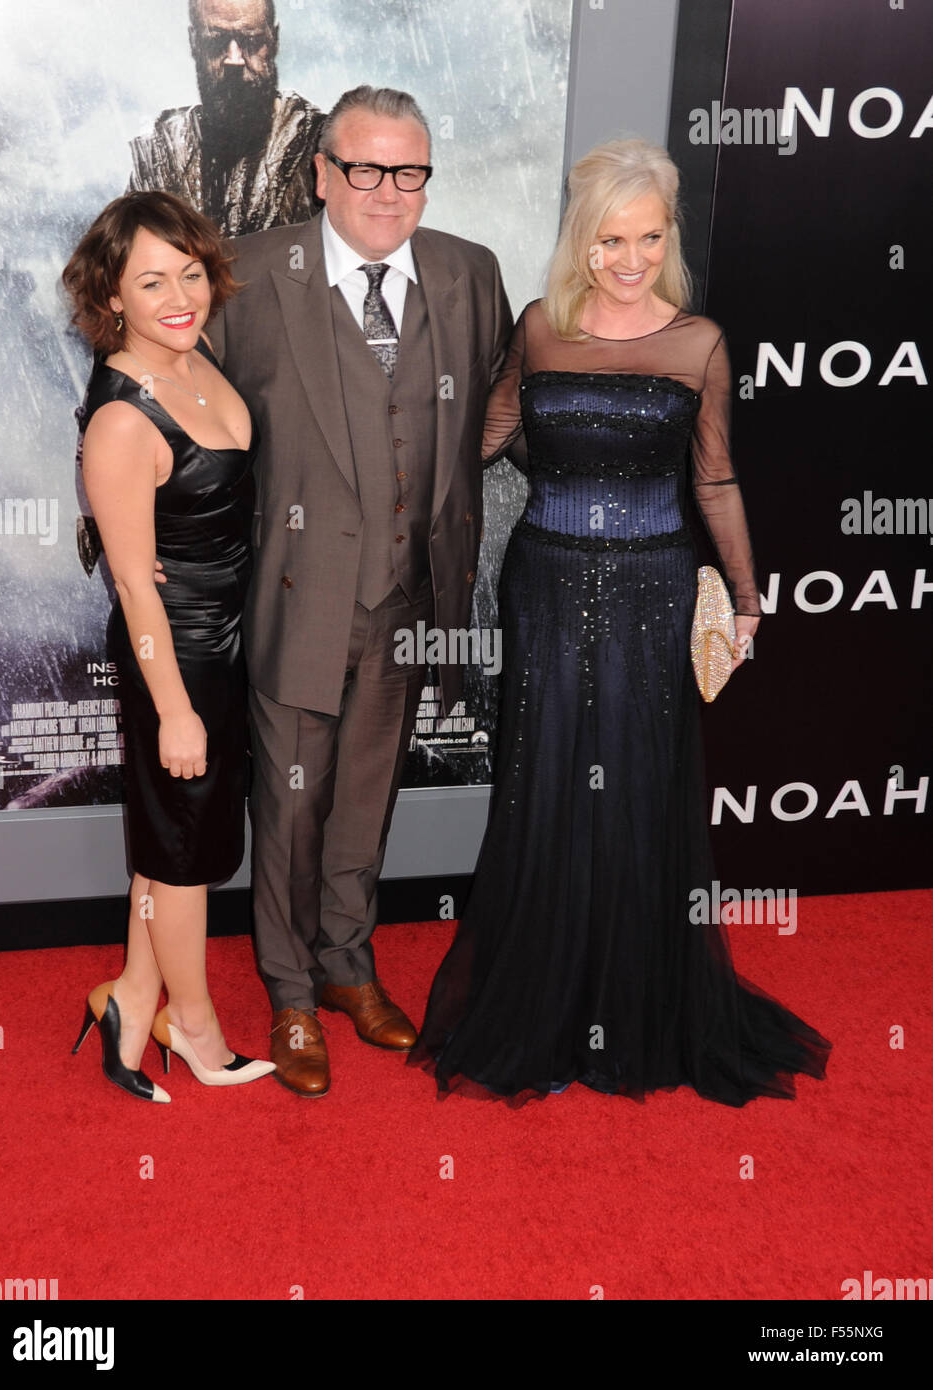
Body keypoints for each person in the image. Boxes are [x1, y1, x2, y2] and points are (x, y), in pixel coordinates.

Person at [410, 138, 832, 1107]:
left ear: (667, 236)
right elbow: (490, 434)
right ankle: (546, 1005)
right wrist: (403, 471)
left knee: (640, 789)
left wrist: (748, 592)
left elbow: (713, 478)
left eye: (648, 237)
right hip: (547, 585)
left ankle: (635, 1002)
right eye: (610, 239)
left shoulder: (698, 345)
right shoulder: (540, 328)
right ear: (580, 239)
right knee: (546, 783)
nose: (630, 258)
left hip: (652, 593)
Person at [206, 85, 513, 1097]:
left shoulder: (469, 274)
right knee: (289, 802)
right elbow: (186, 422)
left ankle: (347, 965)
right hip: (296, 592)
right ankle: (290, 991)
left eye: (410, 171)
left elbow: (490, 422)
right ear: (323, 172)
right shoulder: (247, 278)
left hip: (408, 598)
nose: (389, 191)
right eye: (367, 169)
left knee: (366, 794)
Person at [63, 191, 275, 1100]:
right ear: (112, 295)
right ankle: (193, 1030)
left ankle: (131, 996)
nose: (180, 295)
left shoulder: (196, 359)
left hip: (226, 647)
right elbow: (133, 583)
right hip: (175, 657)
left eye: (190, 272)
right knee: (184, 856)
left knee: (165, 845)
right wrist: (176, 709)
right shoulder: (120, 421)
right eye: (152, 281)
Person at [127, 0, 323, 238]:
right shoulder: (162, 157)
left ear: (274, 40)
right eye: (217, 42)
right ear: (194, 42)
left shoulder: (320, 147)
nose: (234, 60)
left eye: (250, 41)